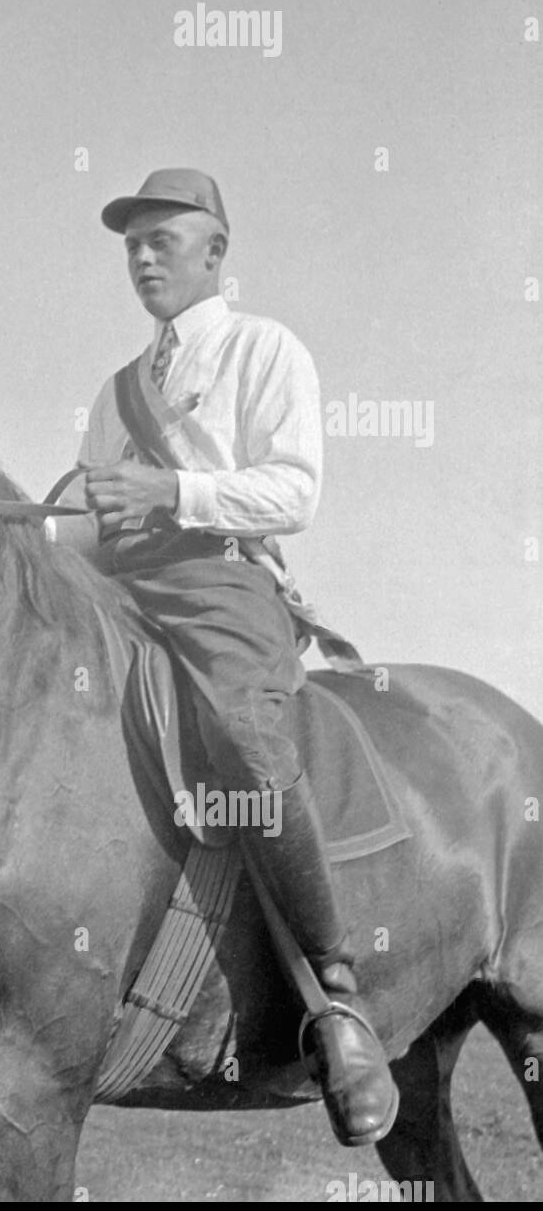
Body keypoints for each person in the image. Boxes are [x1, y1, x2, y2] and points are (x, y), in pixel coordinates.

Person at [51, 169, 396, 1147]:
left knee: (246, 736)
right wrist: (36, 535)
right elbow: (83, 522)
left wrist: (173, 494)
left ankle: (334, 988)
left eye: (165, 237)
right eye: (131, 243)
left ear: (216, 251)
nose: (144, 255)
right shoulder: (116, 392)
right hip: (117, 591)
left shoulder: (264, 349)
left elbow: (293, 491)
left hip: (219, 584)